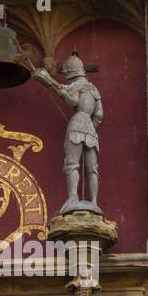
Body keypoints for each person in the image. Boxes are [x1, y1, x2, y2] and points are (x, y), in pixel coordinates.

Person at [30, 52, 103, 212]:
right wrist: (90, 127)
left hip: (77, 124)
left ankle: (72, 197)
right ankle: (94, 202)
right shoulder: (94, 89)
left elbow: (73, 100)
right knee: (92, 168)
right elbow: (99, 115)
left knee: (72, 164)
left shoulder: (75, 85)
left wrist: (53, 86)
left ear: (70, 71)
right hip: (90, 129)